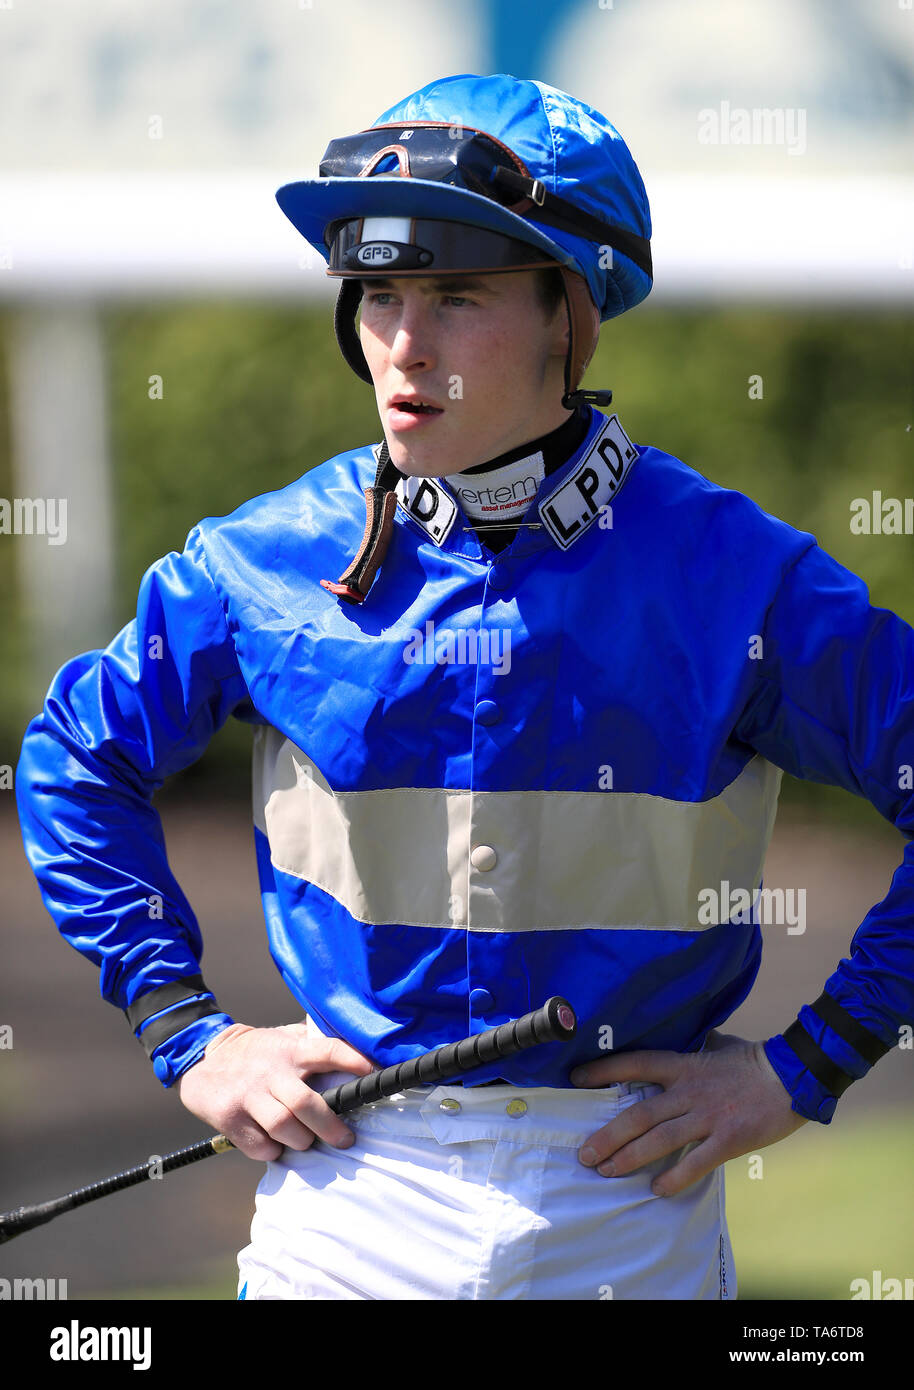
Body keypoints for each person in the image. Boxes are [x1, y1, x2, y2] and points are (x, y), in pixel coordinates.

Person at [15, 73, 913, 1302]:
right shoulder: (258, 557)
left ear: (568, 316)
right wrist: (189, 1030)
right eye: (378, 294)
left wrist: (807, 1065)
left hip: (626, 1209)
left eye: (456, 295)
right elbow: (73, 760)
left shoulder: (736, 578)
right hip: (343, 1198)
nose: (402, 343)